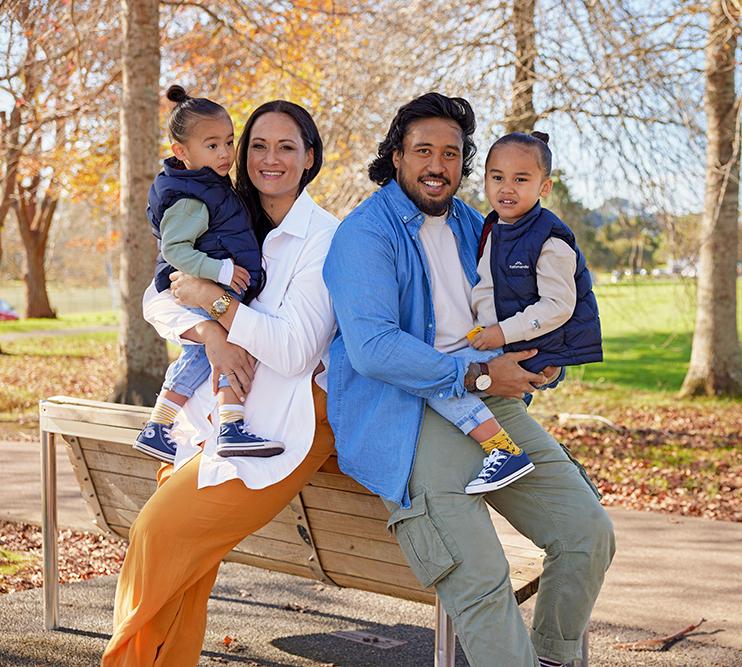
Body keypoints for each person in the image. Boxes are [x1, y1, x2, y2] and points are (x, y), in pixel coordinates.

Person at [324, 92, 615, 667]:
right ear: (397, 156)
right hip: (408, 415)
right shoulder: (364, 234)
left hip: (489, 409)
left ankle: (553, 656)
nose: (438, 165)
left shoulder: (475, 224)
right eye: (423, 151)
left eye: (452, 154)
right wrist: (479, 375)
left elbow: (523, 307)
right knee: (482, 578)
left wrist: (539, 365)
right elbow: (374, 349)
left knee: (587, 534)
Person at [102, 100, 339, 667]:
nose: (268, 157)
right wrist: (211, 333)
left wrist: (215, 300)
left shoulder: (326, 238)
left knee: (158, 536)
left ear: (310, 157)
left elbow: (293, 349)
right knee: (186, 578)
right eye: (257, 145)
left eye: (287, 146)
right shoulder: (224, 211)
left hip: (284, 421)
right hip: (208, 417)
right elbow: (157, 299)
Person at [426, 130, 603, 494]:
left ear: (545, 187)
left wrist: (500, 334)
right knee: (440, 371)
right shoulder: (494, 227)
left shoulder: (550, 240)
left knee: (435, 377)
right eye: (497, 177)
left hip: (528, 344)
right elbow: (488, 288)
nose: (507, 188)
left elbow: (558, 306)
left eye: (521, 179)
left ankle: (502, 450)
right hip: (501, 339)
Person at [134, 84, 280, 463]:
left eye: (229, 142)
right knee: (221, 350)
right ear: (181, 152)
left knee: (211, 353)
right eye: (212, 145)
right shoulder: (192, 196)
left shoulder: (210, 186)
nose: (226, 153)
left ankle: (166, 427)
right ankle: (219, 427)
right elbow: (174, 250)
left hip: (217, 288)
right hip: (207, 286)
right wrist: (222, 269)